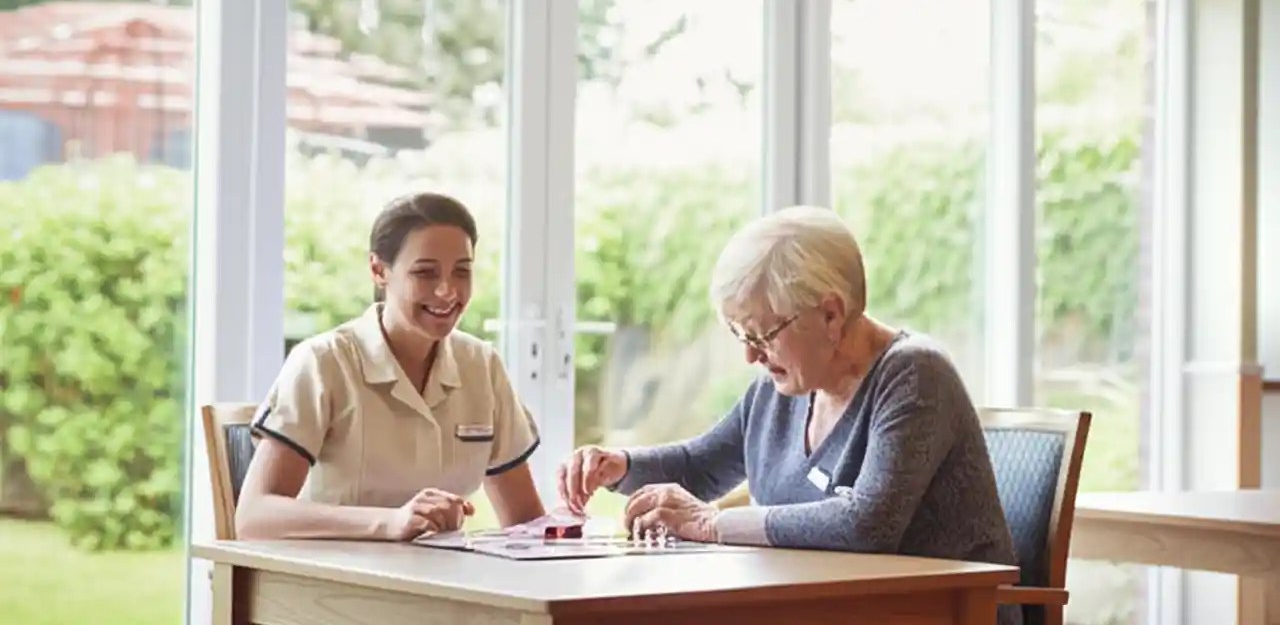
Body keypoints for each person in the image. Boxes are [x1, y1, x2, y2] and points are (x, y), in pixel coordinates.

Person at [557, 205, 1020, 623]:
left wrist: (712, 524)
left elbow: (868, 524)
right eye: (740, 335)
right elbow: (702, 465)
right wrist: (620, 466)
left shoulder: (914, 374)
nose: (751, 357)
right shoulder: (786, 384)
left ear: (832, 316)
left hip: (944, 614)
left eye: (762, 335)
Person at [236, 192, 544, 541]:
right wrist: (389, 522)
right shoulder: (324, 362)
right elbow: (254, 516)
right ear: (379, 270)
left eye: (462, 272)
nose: (447, 291)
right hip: (335, 586)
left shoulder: (481, 365)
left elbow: (526, 524)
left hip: (445, 583)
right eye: (425, 273)